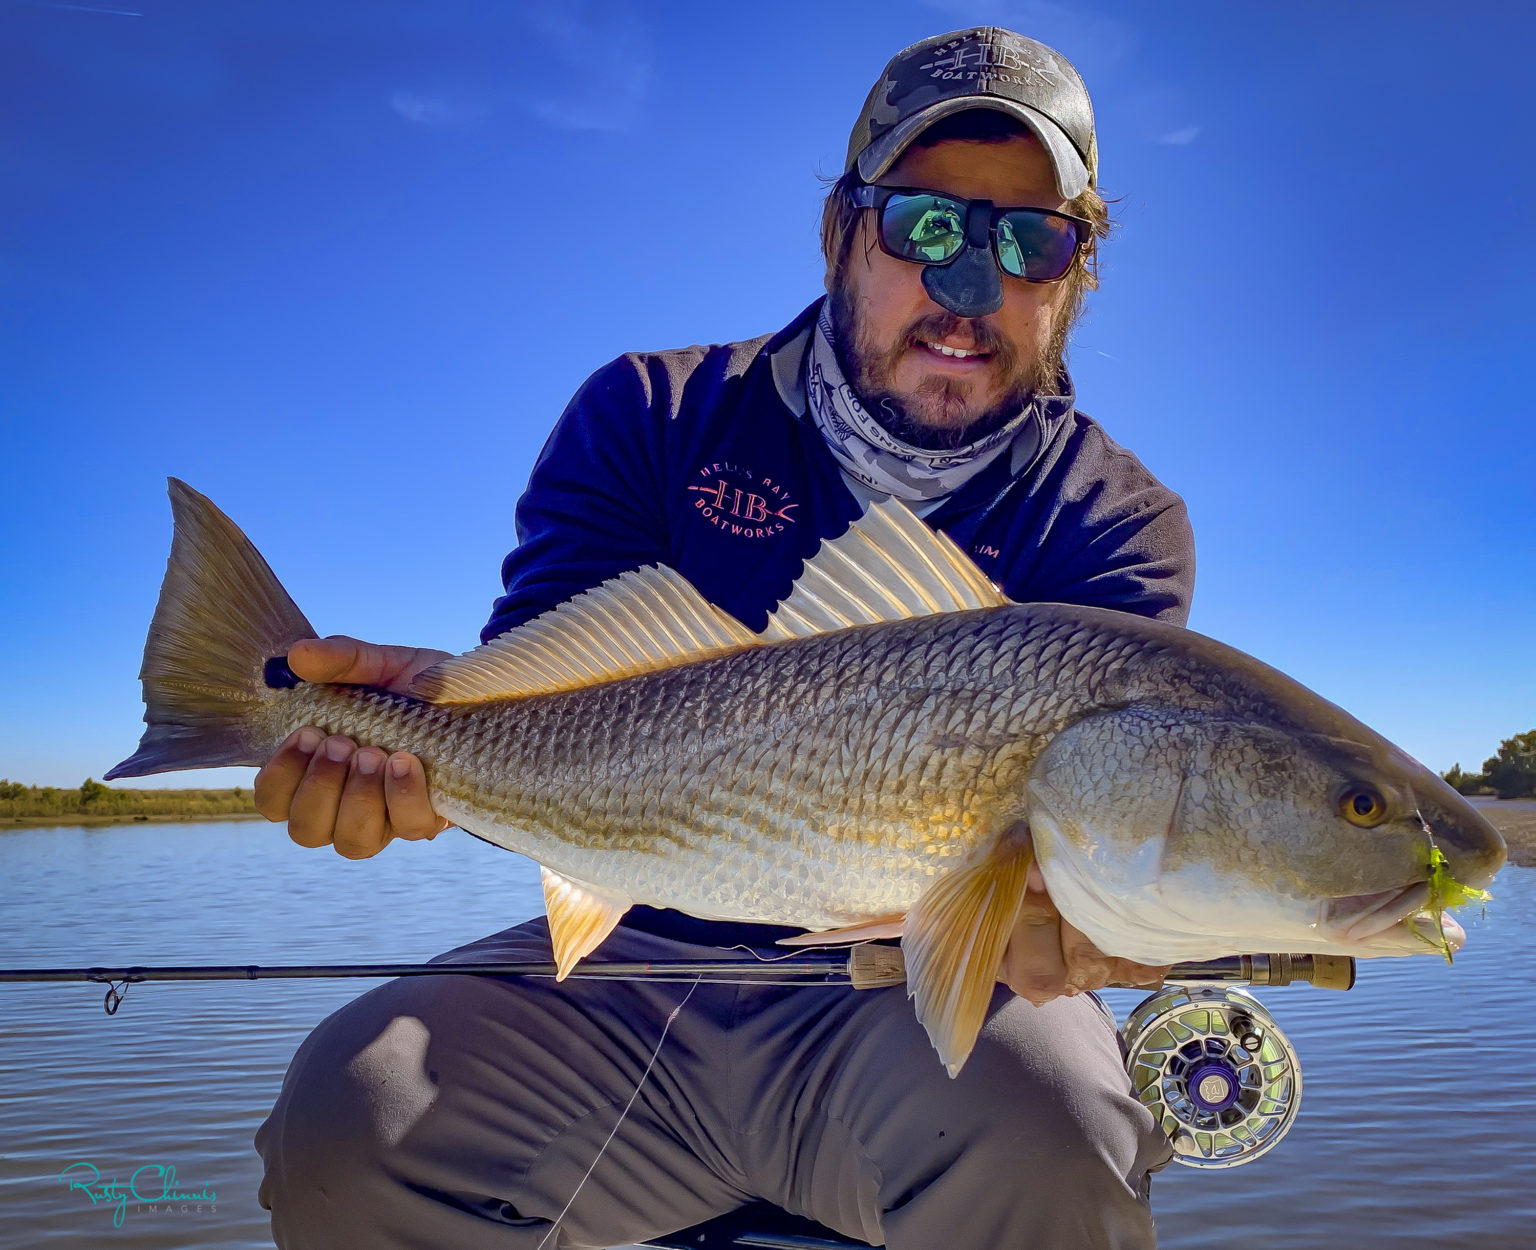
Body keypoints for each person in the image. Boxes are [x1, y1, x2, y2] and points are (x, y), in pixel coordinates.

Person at [254, 27, 1192, 1250]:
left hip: (910, 994)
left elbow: (1069, 859)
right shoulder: (651, 411)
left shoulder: (1117, 521)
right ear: (843, 231)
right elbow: (535, 695)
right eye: (925, 225)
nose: (971, 284)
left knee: (1062, 1126)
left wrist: (1079, 915)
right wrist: (423, 741)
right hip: (624, 964)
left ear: (1074, 278)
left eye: (1030, 239)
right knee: (351, 1120)